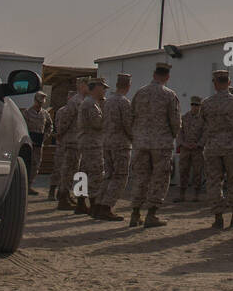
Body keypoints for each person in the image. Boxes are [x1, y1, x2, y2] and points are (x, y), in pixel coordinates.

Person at [128, 63, 181, 228]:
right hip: (161, 144)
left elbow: (131, 117)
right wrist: (172, 136)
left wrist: (137, 136)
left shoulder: (140, 93)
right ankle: (151, 214)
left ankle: (135, 213)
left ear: (153, 74)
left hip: (141, 143)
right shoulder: (169, 95)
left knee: (140, 177)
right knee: (160, 179)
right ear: (167, 77)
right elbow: (175, 121)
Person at [201, 69, 233, 229]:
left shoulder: (206, 103)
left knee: (214, 182)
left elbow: (204, 122)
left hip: (213, 147)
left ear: (214, 84)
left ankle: (218, 217)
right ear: (228, 83)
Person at [94, 73, 133, 221]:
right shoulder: (124, 102)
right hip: (121, 144)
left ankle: (98, 205)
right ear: (128, 86)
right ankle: (107, 206)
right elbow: (128, 125)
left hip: (107, 142)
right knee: (120, 176)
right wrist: (134, 138)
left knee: (108, 175)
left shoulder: (108, 101)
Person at [75, 77, 109, 215]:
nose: (104, 91)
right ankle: (94, 204)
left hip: (86, 142)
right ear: (96, 88)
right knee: (96, 174)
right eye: (103, 88)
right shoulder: (91, 104)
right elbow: (98, 124)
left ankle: (81, 202)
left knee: (83, 173)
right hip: (93, 143)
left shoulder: (88, 102)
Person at [53, 87, 83, 210]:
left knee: (72, 170)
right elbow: (62, 124)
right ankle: (63, 197)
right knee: (67, 170)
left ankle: (66, 195)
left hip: (75, 142)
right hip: (71, 142)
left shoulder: (80, 102)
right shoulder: (73, 104)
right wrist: (59, 135)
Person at [21, 92, 52, 195]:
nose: (40, 104)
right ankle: (23, 185)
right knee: (27, 164)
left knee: (36, 165)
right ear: (35, 100)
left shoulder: (45, 113)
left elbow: (49, 125)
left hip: (39, 143)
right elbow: (22, 126)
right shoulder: (27, 112)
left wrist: (45, 136)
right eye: (39, 102)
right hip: (28, 142)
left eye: (42, 102)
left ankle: (30, 185)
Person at [176, 96, 204, 202]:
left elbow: (205, 133)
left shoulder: (203, 119)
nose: (194, 107)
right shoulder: (184, 117)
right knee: (183, 171)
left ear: (200, 106)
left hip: (197, 149)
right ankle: (181, 194)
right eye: (193, 104)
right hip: (185, 149)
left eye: (197, 105)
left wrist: (199, 144)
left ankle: (196, 194)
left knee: (197, 172)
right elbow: (179, 132)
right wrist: (183, 143)